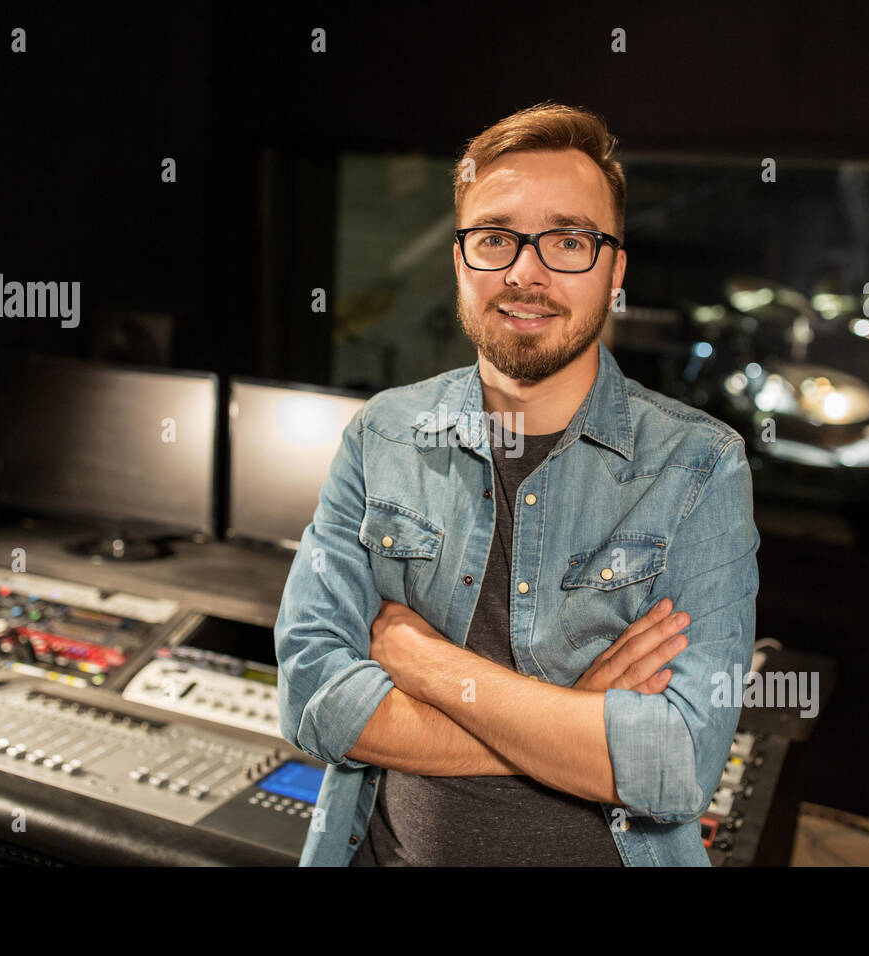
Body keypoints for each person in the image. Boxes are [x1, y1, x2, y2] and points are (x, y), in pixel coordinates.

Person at [274, 102, 759, 866]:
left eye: (568, 240)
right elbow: (314, 702)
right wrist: (579, 721)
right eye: (496, 238)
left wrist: (424, 661)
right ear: (460, 259)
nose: (526, 272)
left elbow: (675, 767)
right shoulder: (382, 435)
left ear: (616, 268)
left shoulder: (699, 466)